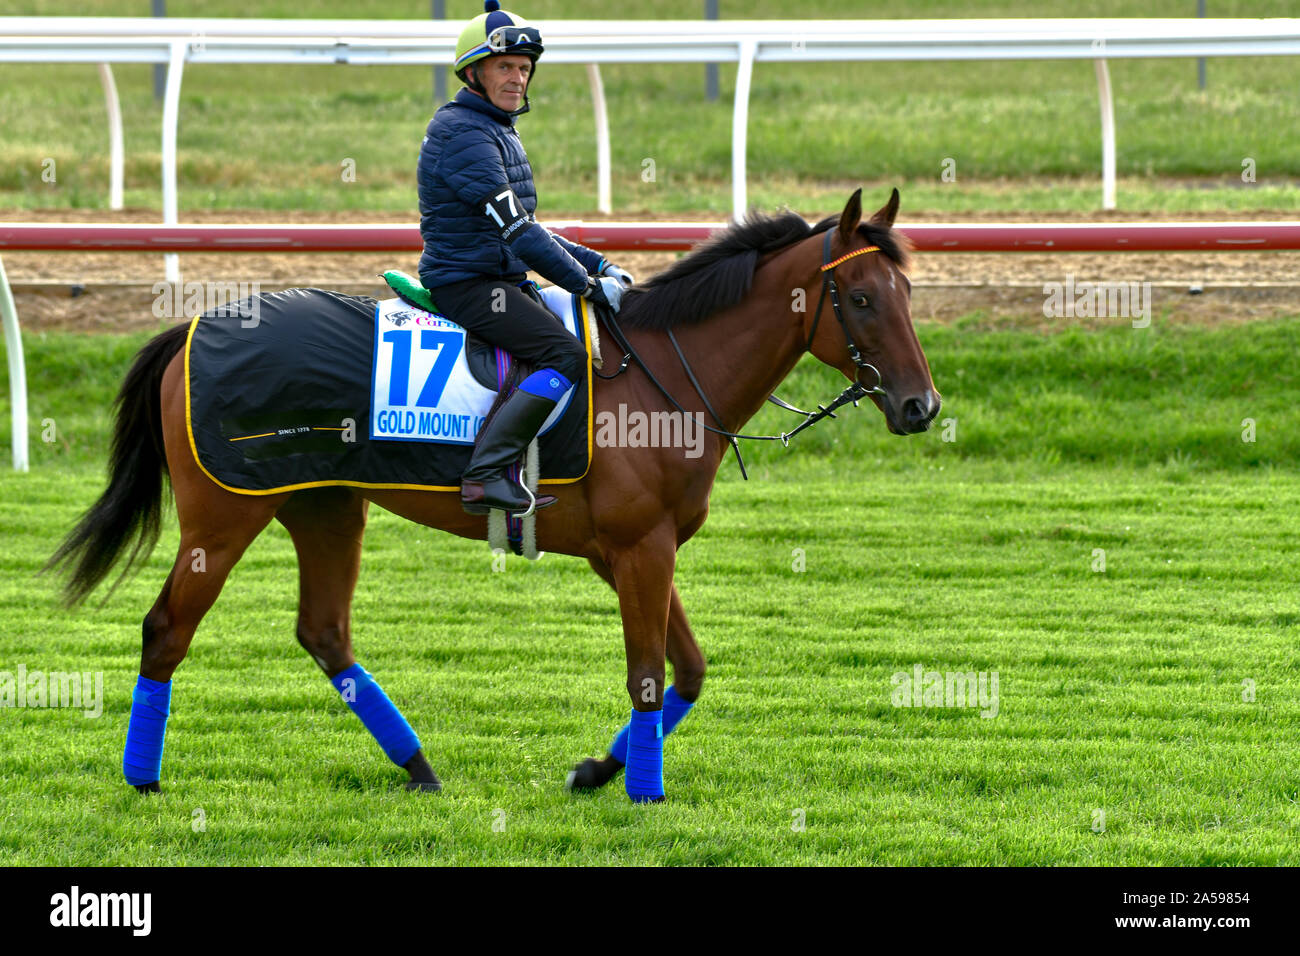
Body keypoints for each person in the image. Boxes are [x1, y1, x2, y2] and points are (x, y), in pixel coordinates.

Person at [418, 1, 633, 515]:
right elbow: (517, 231)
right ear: (474, 72)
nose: (517, 78)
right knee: (565, 355)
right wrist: (583, 283)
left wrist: (595, 263)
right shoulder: (464, 133)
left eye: (523, 68)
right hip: (469, 285)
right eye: (504, 67)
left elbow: (528, 228)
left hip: (493, 277)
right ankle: (486, 473)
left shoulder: (493, 126)